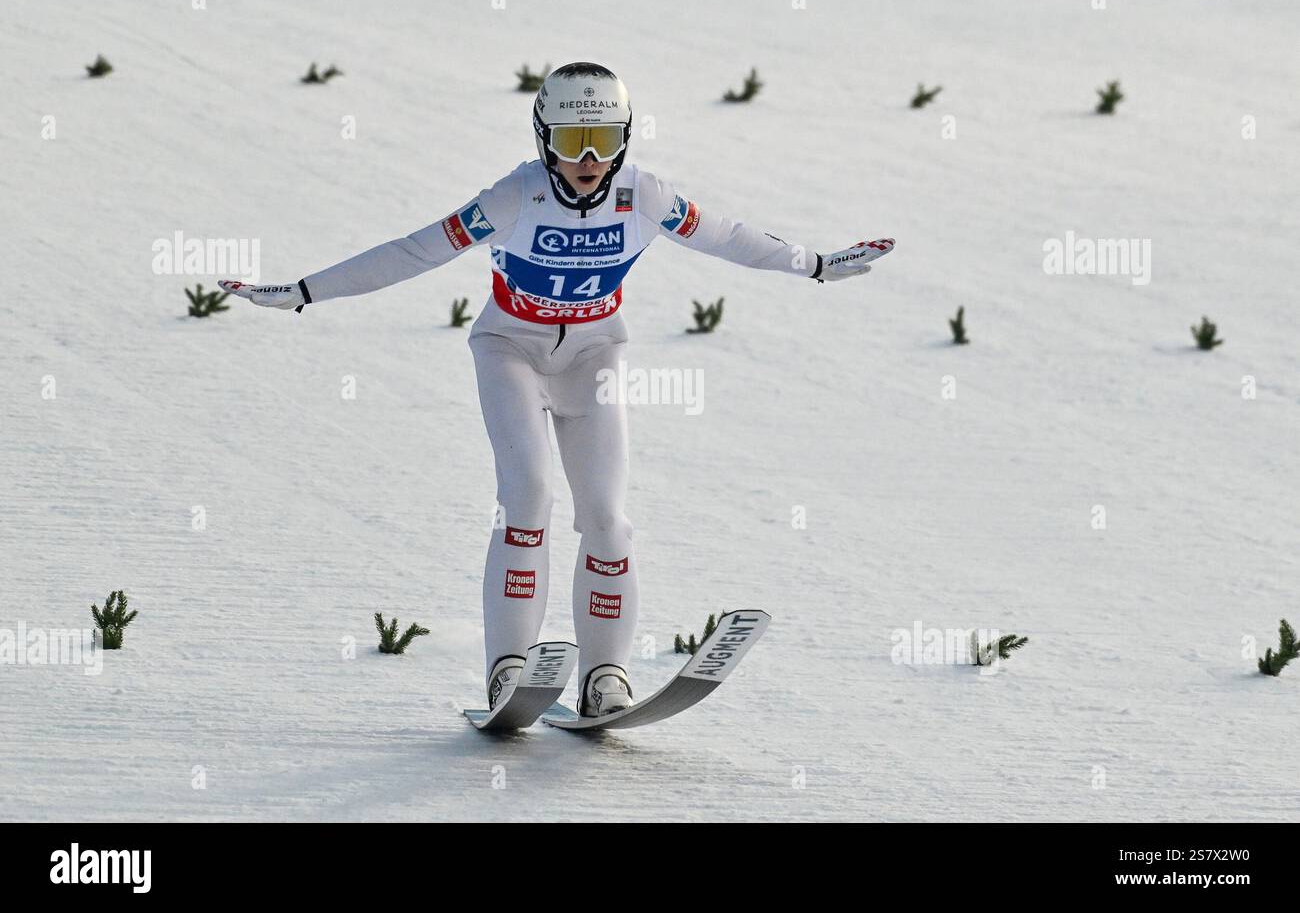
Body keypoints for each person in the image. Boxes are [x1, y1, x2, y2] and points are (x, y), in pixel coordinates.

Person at [220, 61, 895, 717]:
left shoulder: (646, 196)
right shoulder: (514, 197)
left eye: (605, 140)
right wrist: (305, 292)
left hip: (594, 357)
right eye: (573, 140)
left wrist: (814, 265)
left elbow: (727, 236)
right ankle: (508, 669)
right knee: (528, 496)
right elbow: (414, 250)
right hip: (510, 350)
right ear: (543, 138)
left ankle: (606, 676)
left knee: (607, 517)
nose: (589, 157)